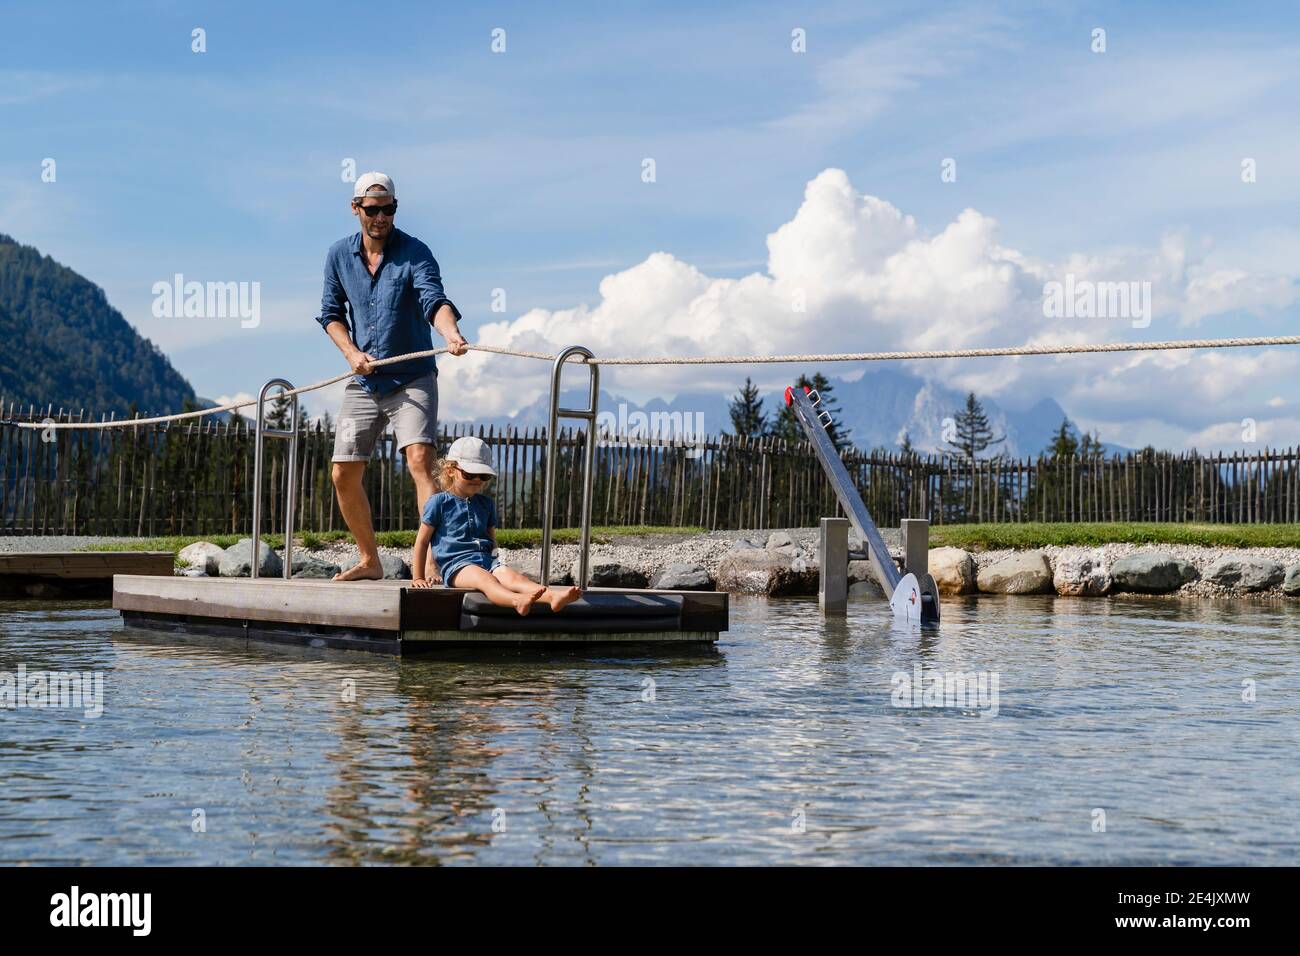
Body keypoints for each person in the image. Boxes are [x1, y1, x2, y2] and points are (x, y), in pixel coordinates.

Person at [314, 171, 468, 582]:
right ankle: (370, 560)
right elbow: (331, 314)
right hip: (363, 379)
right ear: (356, 209)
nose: (381, 217)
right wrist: (350, 353)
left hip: (413, 377)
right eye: (372, 210)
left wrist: (450, 332)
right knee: (342, 473)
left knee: (419, 460)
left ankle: (435, 562)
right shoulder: (337, 255)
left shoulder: (416, 252)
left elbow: (433, 299)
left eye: (388, 209)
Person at [412, 436, 582, 615]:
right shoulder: (439, 502)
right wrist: (418, 577)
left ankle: (551, 597)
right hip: (458, 566)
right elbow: (422, 542)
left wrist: (496, 562)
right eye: (469, 474)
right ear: (450, 471)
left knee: (514, 577)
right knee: (485, 580)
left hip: (487, 561)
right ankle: (516, 600)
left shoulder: (486, 504)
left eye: (483, 475)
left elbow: (491, 539)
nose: (476, 479)